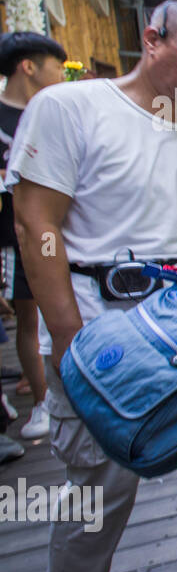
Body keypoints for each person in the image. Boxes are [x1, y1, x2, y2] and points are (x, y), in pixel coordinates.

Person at [6, 1, 177, 572]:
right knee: (101, 470)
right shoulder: (70, 109)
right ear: (152, 39)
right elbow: (37, 223)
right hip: (101, 315)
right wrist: (68, 336)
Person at [0, 32, 66, 449]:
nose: (61, 75)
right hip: (11, 237)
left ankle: (64, 393)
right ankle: (42, 400)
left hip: (54, 234)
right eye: (57, 66)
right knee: (27, 316)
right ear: (28, 66)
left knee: (56, 306)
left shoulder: (53, 113)